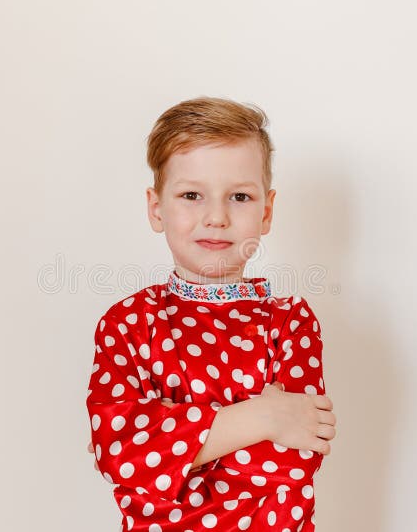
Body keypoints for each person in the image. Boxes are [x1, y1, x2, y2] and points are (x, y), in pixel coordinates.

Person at [85, 96, 337, 531]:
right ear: (156, 208)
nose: (216, 217)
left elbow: (295, 461)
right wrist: (262, 417)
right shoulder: (128, 323)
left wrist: (167, 439)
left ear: (266, 212)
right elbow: (119, 454)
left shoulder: (289, 322)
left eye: (239, 196)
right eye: (191, 195)